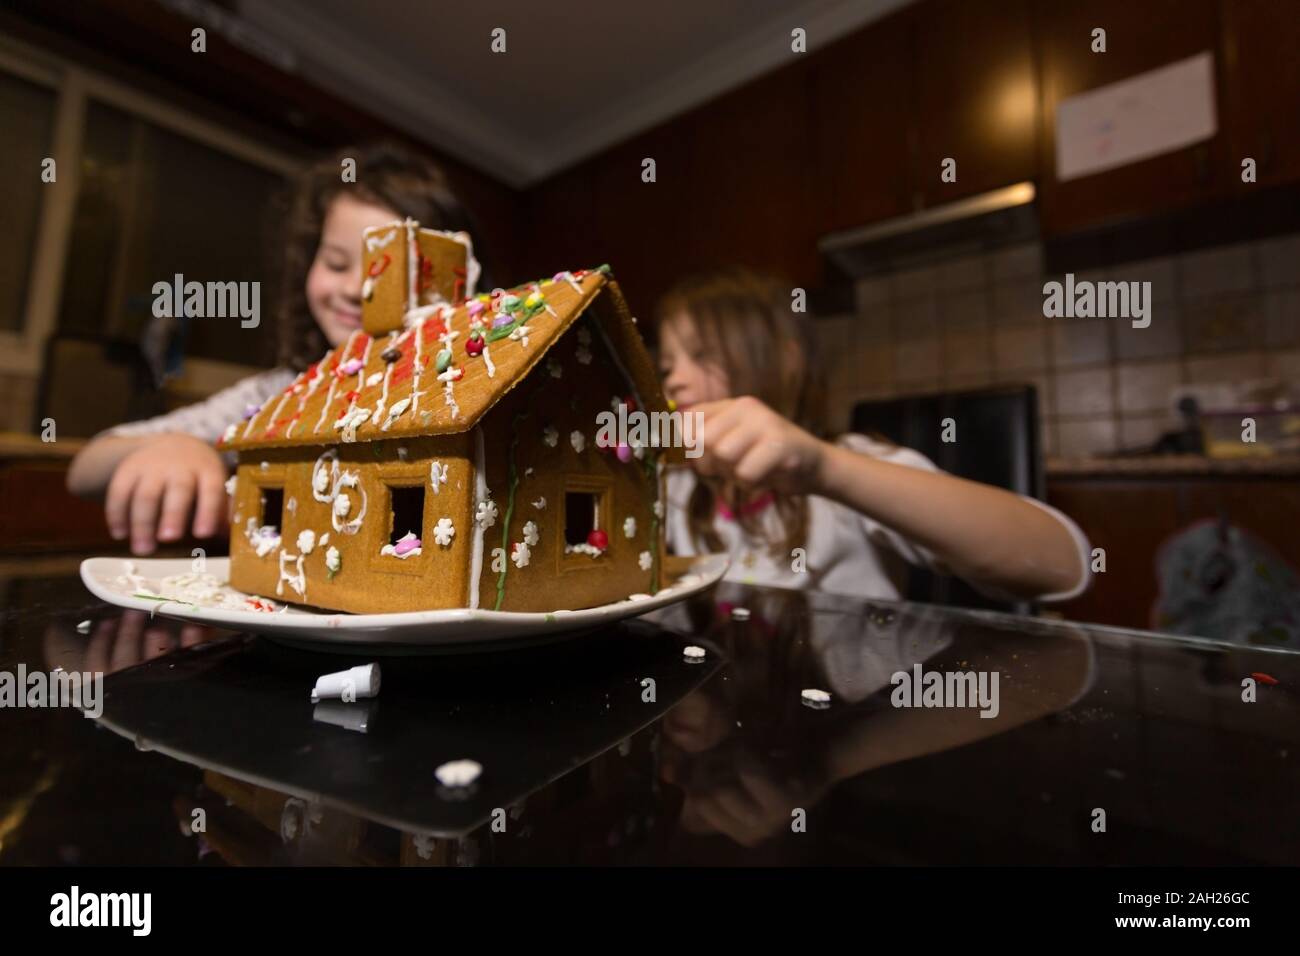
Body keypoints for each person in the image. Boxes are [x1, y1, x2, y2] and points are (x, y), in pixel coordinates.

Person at [66, 142, 484, 557]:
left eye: (386, 272)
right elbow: (86, 467)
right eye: (337, 264)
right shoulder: (278, 393)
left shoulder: (468, 387)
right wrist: (179, 446)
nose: (356, 289)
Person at [654, 269, 1092, 604]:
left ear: (786, 361)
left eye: (702, 354)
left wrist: (824, 469)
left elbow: (1063, 566)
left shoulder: (845, 465)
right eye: (667, 364)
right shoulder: (677, 489)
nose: (674, 380)